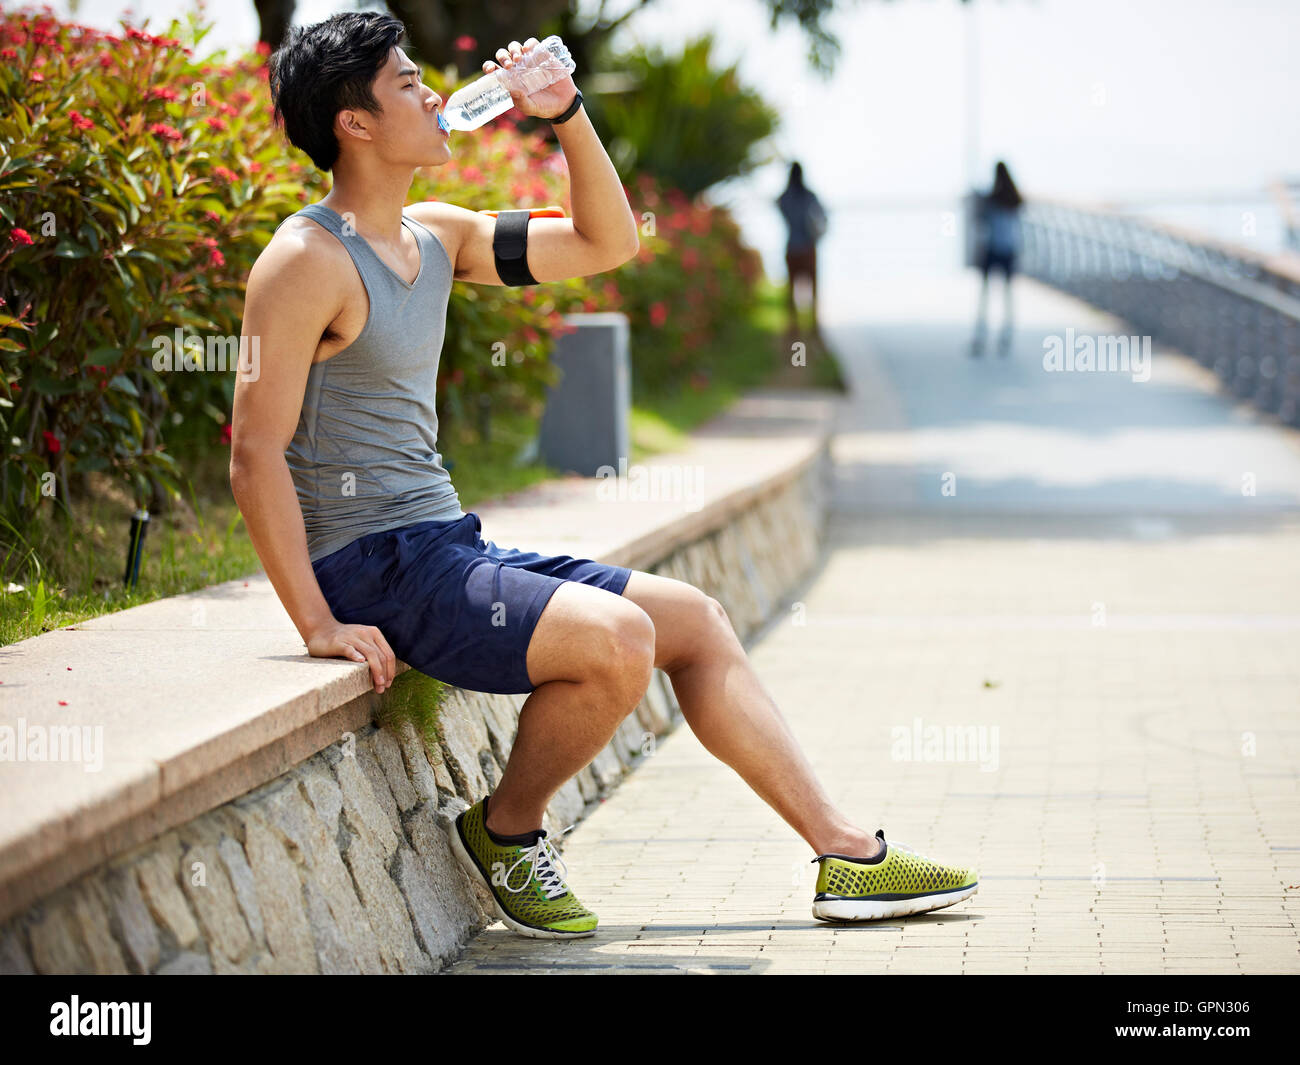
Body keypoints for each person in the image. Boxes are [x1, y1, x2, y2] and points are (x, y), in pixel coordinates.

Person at [234, 12, 976, 941]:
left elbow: (606, 243)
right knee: (621, 638)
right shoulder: (304, 261)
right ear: (355, 122)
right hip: (373, 564)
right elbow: (253, 450)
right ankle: (508, 830)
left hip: (444, 547)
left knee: (695, 622)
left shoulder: (435, 237)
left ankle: (844, 854)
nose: (433, 94)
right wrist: (317, 621)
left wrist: (566, 112)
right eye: (406, 82)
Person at [970, 160, 1024, 357]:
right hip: (1009, 250)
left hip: (992, 249)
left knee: (985, 295)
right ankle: (1006, 334)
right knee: (1007, 294)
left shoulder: (991, 200)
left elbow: (980, 222)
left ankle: (981, 335)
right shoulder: (1014, 199)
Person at [777, 161, 828, 342]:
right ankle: (814, 330)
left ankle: (794, 331)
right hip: (808, 248)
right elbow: (823, 216)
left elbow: (780, 210)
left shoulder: (784, 198)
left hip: (792, 248)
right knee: (813, 290)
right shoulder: (809, 196)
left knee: (791, 291)